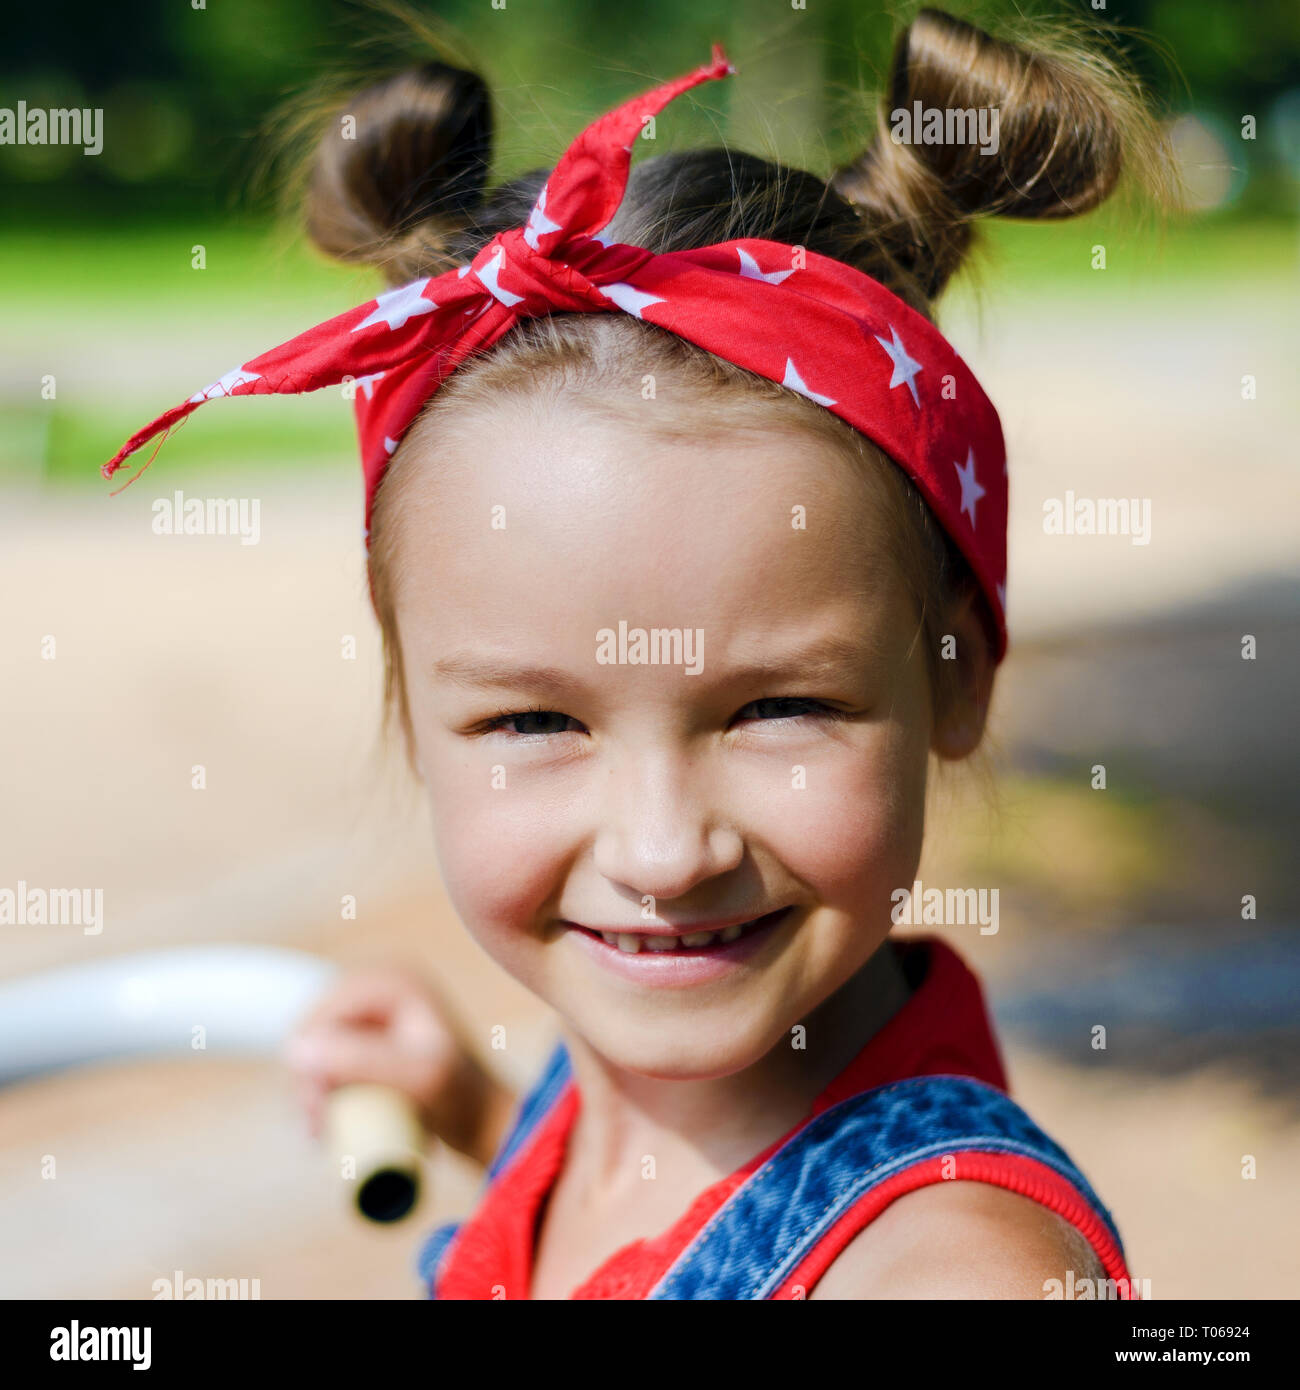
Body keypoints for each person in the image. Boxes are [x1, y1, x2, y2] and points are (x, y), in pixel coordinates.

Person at [104, 6, 1171, 1299]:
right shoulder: (626, 1083)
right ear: (405, 695)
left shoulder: (953, 1272)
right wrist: (490, 1121)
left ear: (958, 668)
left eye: (778, 708)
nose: (665, 856)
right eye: (535, 722)